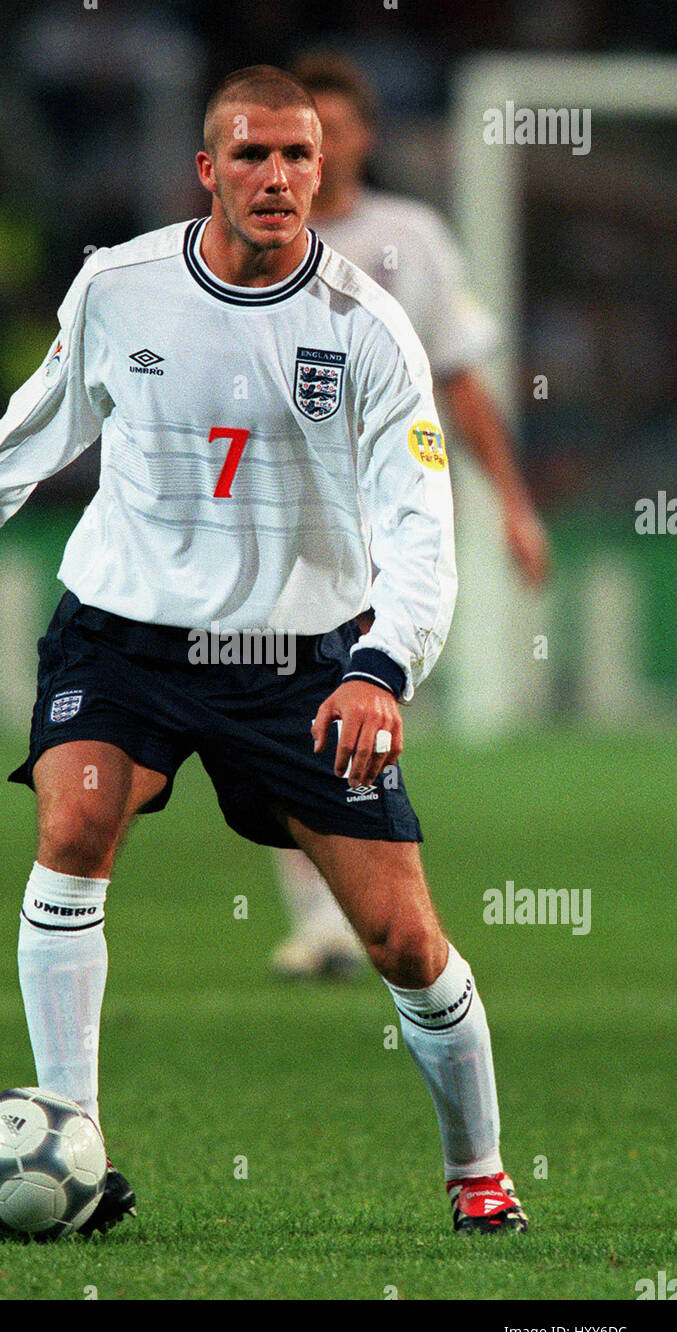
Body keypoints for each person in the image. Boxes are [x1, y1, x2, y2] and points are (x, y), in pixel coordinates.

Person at [0, 65, 528, 1236]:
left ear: (320, 170)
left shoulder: (365, 326)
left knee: (401, 936)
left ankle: (478, 1171)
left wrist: (379, 665)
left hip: (298, 660)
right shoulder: (123, 285)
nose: (276, 177)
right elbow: (46, 410)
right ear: (207, 170)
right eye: (249, 155)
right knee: (72, 824)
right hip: (123, 634)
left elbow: (418, 523)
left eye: (295, 156)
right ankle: (78, 1150)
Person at [270, 51, 551, 981]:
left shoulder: (410, 235)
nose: (322, 148)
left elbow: (459, 377)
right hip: (271, 512)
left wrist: (513, 504)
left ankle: (357, 907)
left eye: (337, 130)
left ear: (361, 139)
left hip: (388, 507)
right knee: (273, 703)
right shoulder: (248, 239)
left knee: (358, 692)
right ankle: (322, 916)